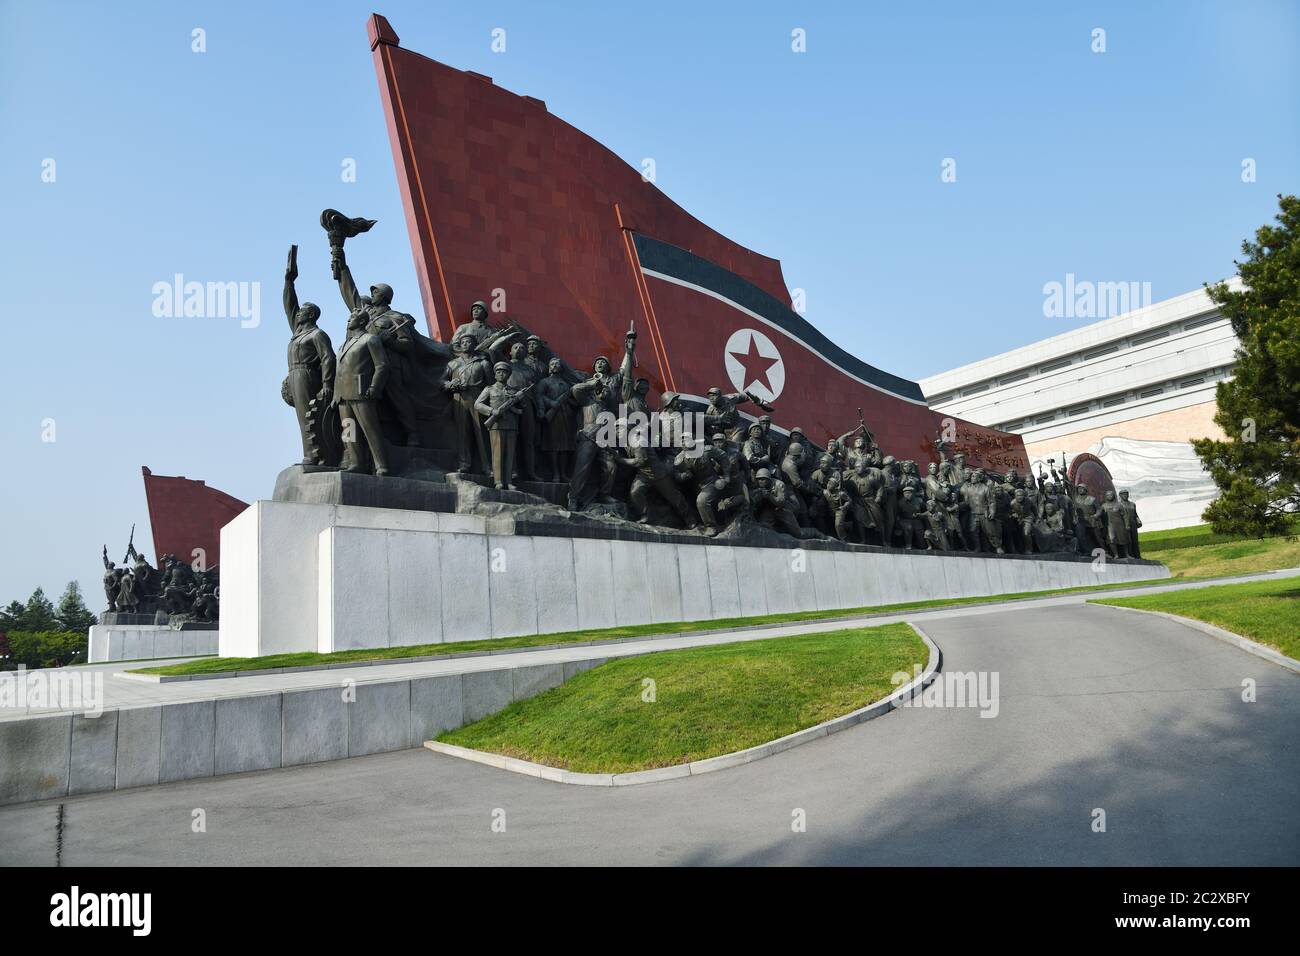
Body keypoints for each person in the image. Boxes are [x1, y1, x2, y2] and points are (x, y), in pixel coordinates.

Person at [282, 246, 336, 464]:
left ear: (311, 314)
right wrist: (289, 282)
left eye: (302, 310)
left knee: (309, 417)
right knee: (301, 417)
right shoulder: (298, 332)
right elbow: (289, 305)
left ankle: (316, 456)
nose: (298, 313)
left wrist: (327, 384)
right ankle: (310, 454)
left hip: (308, 376)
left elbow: (328, 358)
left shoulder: (317, 334)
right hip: (294, 375)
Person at [333, 308, 391, 476]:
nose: (348, 320)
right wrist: (336, 393)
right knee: (349, 432)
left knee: (370, 430)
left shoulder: (369, 339)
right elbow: (339, 371)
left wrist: (374, 387)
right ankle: (356, 463)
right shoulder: (343, 344)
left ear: (361, 321)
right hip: (343, 395)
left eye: (353, 317)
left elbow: (382, 365)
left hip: (361, 391)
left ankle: (381, 465)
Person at [474, 361, 527, 491]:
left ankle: (508, 482)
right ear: (495, 374)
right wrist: (492, 411)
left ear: (508, 375)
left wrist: (520, 398)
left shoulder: (514, 391)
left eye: (504, 372)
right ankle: (498, 481)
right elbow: (477, 405)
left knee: (510, 455)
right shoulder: (489, 389)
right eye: (499, 372)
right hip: (496, 425)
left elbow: (523, 408)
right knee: (497, 454)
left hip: (511, 425)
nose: (501, 374)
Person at [1120, 490, 1143, 558]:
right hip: (1125, 525)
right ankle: (1130, 555)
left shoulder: (1132, 504)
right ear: (1120, 496)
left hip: (1133, 524)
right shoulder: (1119, 505)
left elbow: (1135, 514)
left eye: (1126, 494)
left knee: (1135, 540)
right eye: (1123, 494)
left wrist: (1138, 520)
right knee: (1128, 541)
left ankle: (1137, 556)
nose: (1125, 496)